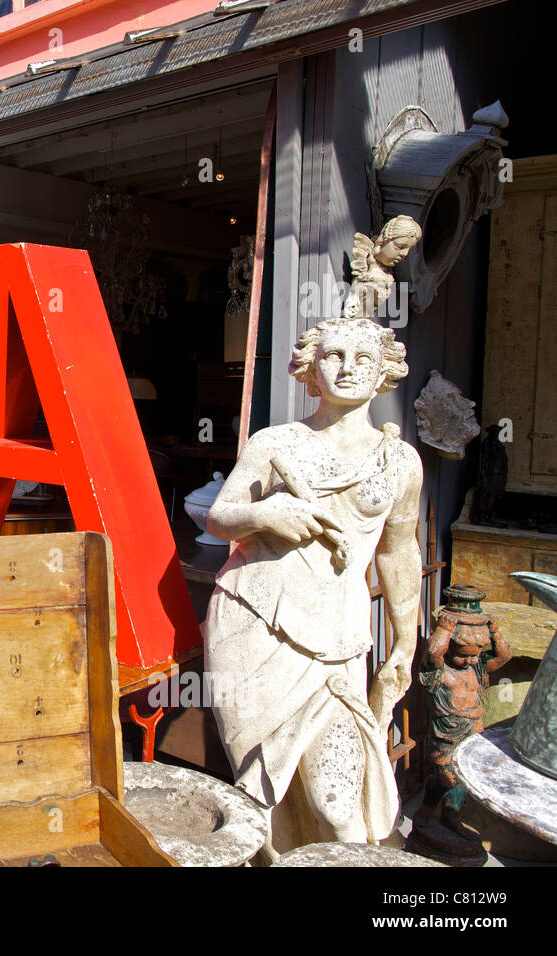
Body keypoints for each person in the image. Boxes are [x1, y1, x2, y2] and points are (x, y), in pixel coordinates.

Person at [204, 315, 423, 857]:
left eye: (362, 360)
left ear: (383, 374)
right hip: (254, 623)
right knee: (260, 787)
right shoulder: (275, 442)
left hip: (336, 640)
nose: (347, 370)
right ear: (311, 368)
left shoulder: (398, 461)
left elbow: (398, 552)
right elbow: (218, 517)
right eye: (334, 357)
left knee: (338, 802)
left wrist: (404, 641)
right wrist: (268, 514)